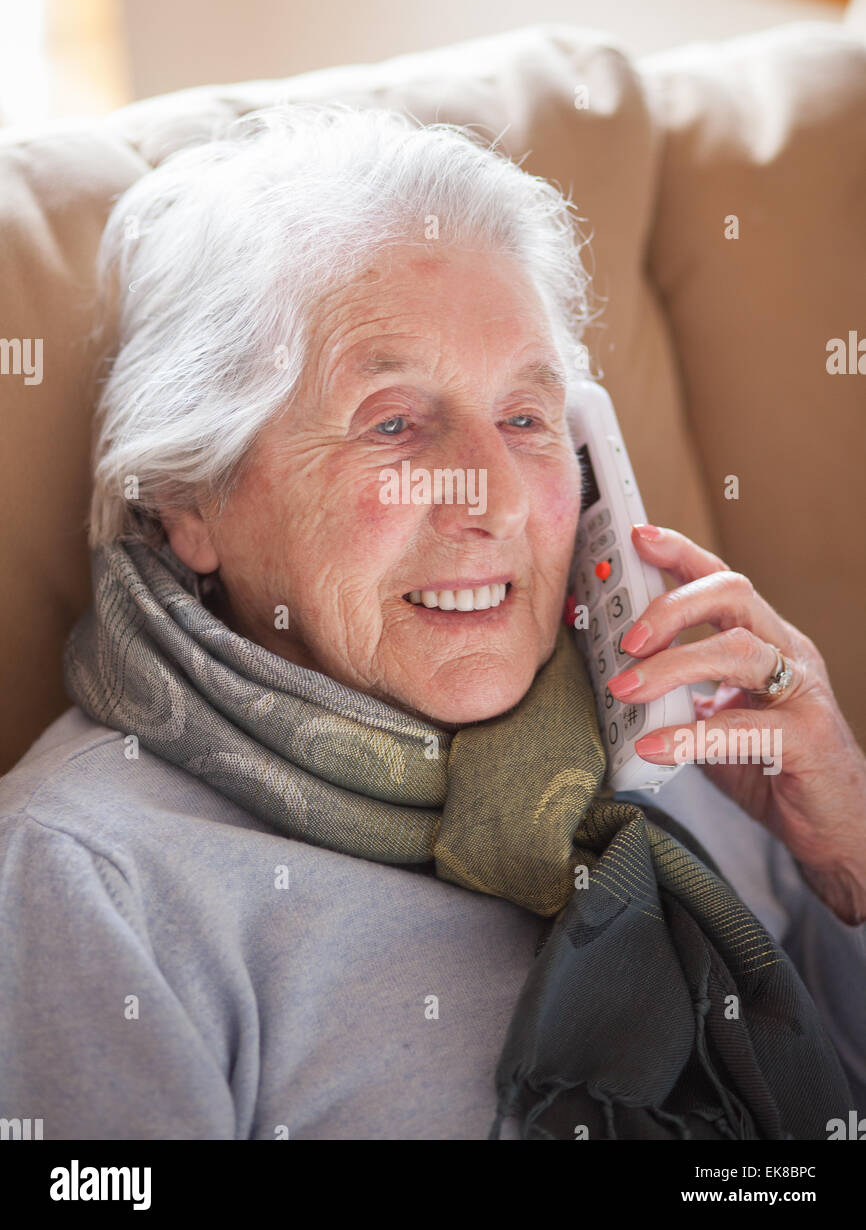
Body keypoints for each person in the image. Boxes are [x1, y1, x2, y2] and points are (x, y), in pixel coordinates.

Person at [1, 103, 864, 1140]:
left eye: (524, 419)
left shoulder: (696, 740)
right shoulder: (88, 882)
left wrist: (845, 856)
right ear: (191, 499)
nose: (493, 498)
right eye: (396, 424)